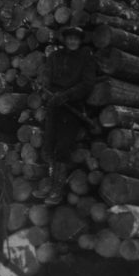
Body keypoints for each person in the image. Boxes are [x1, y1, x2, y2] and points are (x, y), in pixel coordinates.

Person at [39, 26, 97, 205]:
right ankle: (49, 186)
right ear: (65, 40)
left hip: (72, 108)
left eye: (76, 39)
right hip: (53, 106)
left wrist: (66, 95)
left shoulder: (86, 59)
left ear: (80, 41)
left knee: (63, 149)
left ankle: (57, 191)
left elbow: (87, 84)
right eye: (69, 38)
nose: (72, 42)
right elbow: (46, 75)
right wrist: (44, 87)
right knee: (49, 146)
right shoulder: (54, 57)